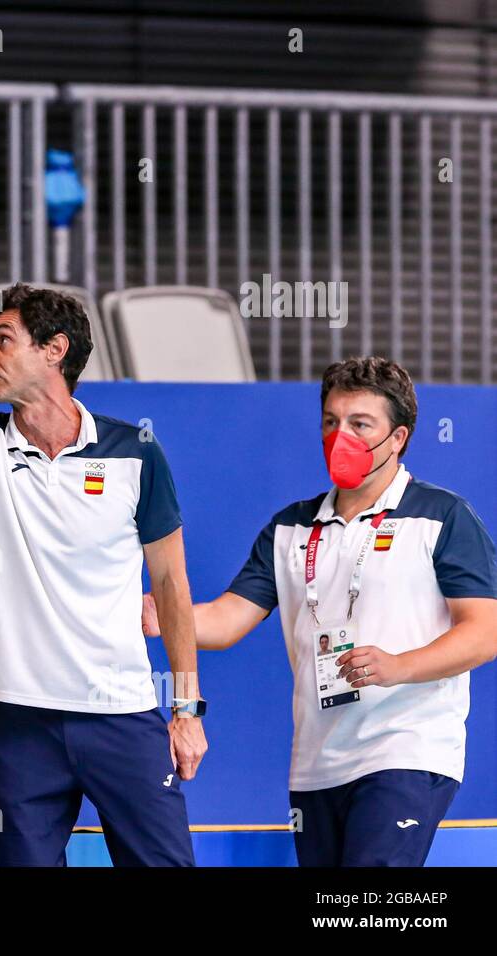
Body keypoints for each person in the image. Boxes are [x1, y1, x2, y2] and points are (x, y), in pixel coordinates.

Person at [0, 282, 207, 867]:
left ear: (55, 349)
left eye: (4, 341)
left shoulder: (136, 453)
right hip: (20, 724)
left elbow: (173, 588)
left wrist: (186, 710)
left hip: (124, 719)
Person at [143, 357, 497, 866]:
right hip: (317, 763)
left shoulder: (442, 516)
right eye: (331, 422)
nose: (340, 437)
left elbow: (484, 633)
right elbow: (227, 619)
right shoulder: (291, 526)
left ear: (397, 438)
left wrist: (399, 667)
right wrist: (169, 618)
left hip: (407, 750)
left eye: (360, 425)